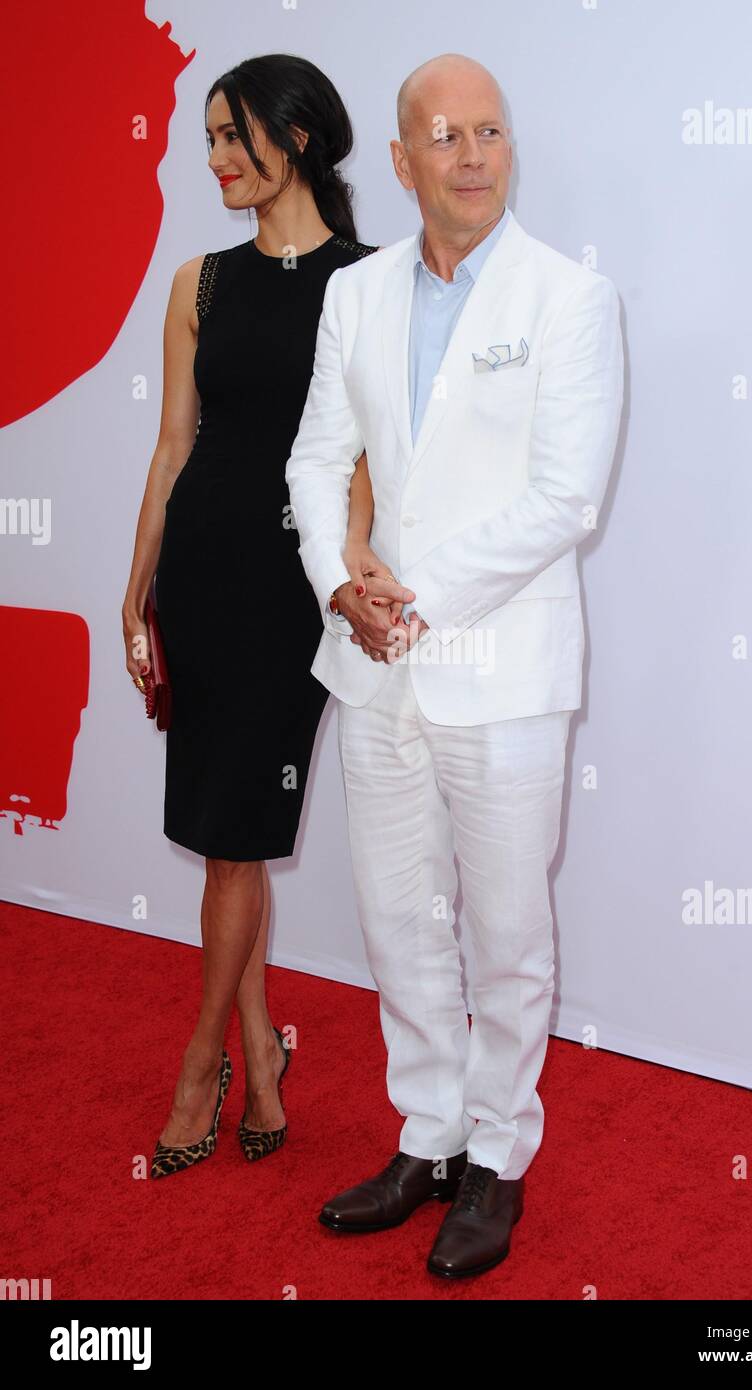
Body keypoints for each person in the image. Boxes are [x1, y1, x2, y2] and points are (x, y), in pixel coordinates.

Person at [287, 52, 624, 1276]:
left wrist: (407, 596)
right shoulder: (357, 295)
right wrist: (338, 578)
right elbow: (316, 459)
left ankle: (496, 1158)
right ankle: (424, 1134)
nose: (473, 154)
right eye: (445, 134)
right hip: (370, 664)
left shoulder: (569, 298)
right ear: (401, 160)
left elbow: (564, 500)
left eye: (490, 131)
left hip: (501, 669)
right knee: (397, 923)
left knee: (505, 930)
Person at [122, 55, 395, 1178]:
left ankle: (204, 1062)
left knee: (235, 840)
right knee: (227, 839)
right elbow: (173, 441)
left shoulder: (372, 281)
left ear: (297, 136)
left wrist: (353, 559)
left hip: (301, 585)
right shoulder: (200, 283)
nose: (218, 160)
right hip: (205, 571)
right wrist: (134, 583)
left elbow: (372, 448)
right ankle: (256, 1057)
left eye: (235, 136)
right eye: (210, 141)